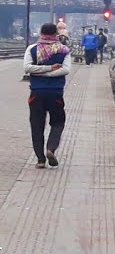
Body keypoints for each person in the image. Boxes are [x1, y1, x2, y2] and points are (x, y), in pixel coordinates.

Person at [24, 23, 72, 168]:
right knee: (58, 122)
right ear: (56, 33)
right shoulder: (64, 50)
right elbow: (66, 70)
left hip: (36, 93)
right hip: (56, 93)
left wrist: (41, 72)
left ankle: (40, 160)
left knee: (36, 125)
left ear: (40, 32)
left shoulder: (32, 49)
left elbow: (27, 68)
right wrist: (50, 70)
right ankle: (50, 149)